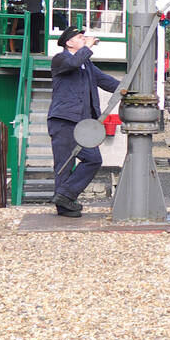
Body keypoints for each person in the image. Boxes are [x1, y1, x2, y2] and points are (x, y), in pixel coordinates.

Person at [48, 26, 122, 217]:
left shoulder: (87, 65)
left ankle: (65, 194)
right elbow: (73, 63)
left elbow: (106, 81)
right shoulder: (61, 59)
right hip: (64, 120)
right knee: (64, 164)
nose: (84, 39)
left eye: (83, 37)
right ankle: (64, 206)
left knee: (93, 159)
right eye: (80, 38)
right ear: (69, 42)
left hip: (83, 123)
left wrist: (128, 88)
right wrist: (88, 47)